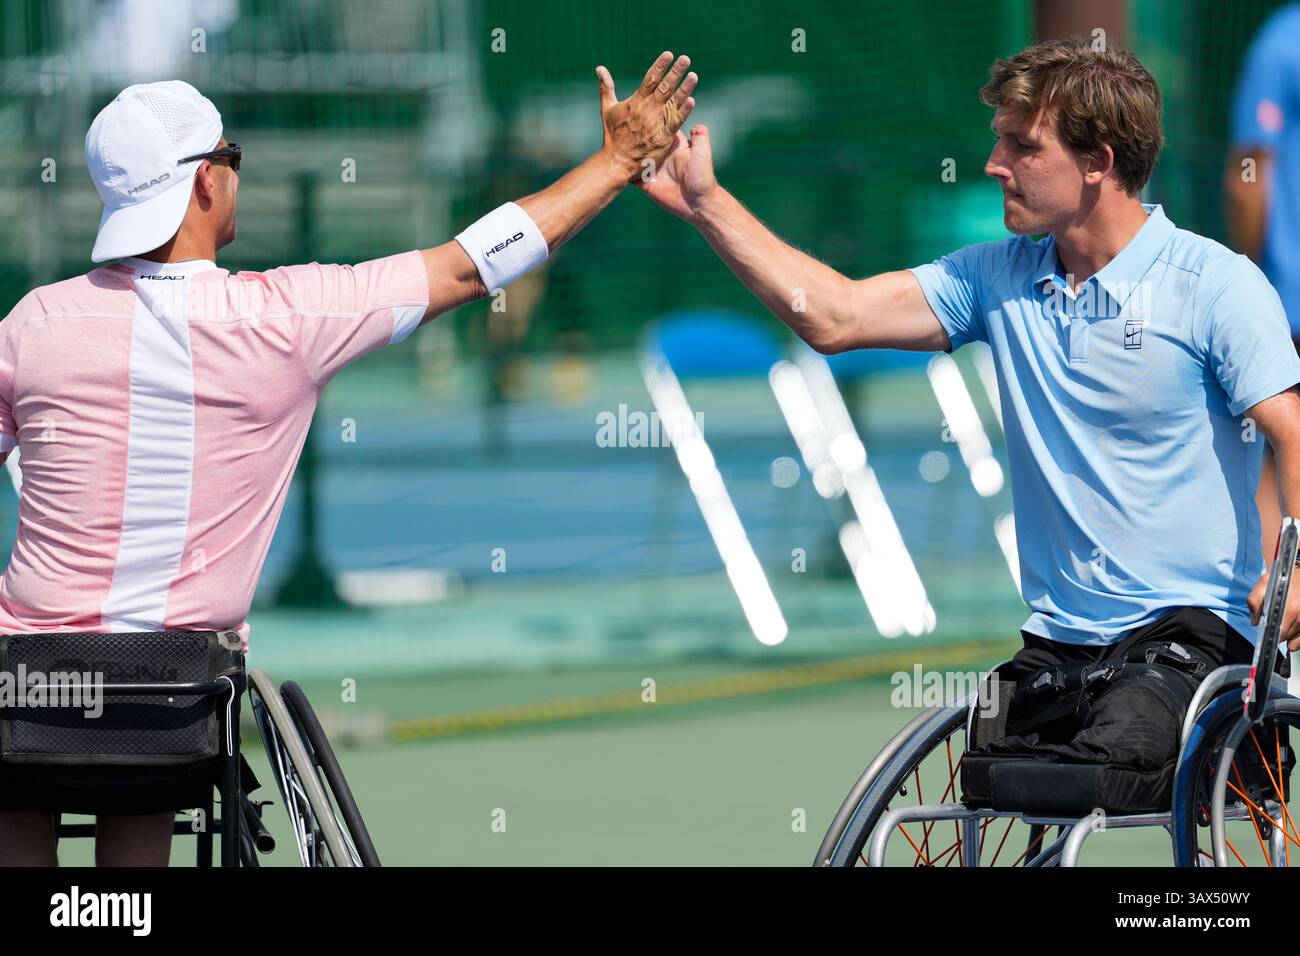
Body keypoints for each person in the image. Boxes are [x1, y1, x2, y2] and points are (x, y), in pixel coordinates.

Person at [0, 53, 697, 867]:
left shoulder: (33, 324)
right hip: (175, 703)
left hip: (28, 691)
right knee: (141, 802)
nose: (235, 175)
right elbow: (474, 263)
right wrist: (616, 162)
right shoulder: (285, 318)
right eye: (231, 159)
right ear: (202, 186)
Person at [638, 38, 1300, 691]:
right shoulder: (992, 277)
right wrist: (707, 202)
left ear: (1097, 162)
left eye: (1022, 145)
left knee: (1117, 760)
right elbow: (834, 315)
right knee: (989, 773)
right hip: (1061, 643)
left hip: (1192, 639)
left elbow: (1291, 430)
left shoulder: (1216, 283)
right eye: (998, 141)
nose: (994, 164)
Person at [1224, 3, 1300, 564]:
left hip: (1287, 294)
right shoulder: (1284, 39)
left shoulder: (1282, 38)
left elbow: (1248, 169)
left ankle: (1277, 597)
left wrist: (1246, 273)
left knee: (1270, 459)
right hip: (1291, 299)